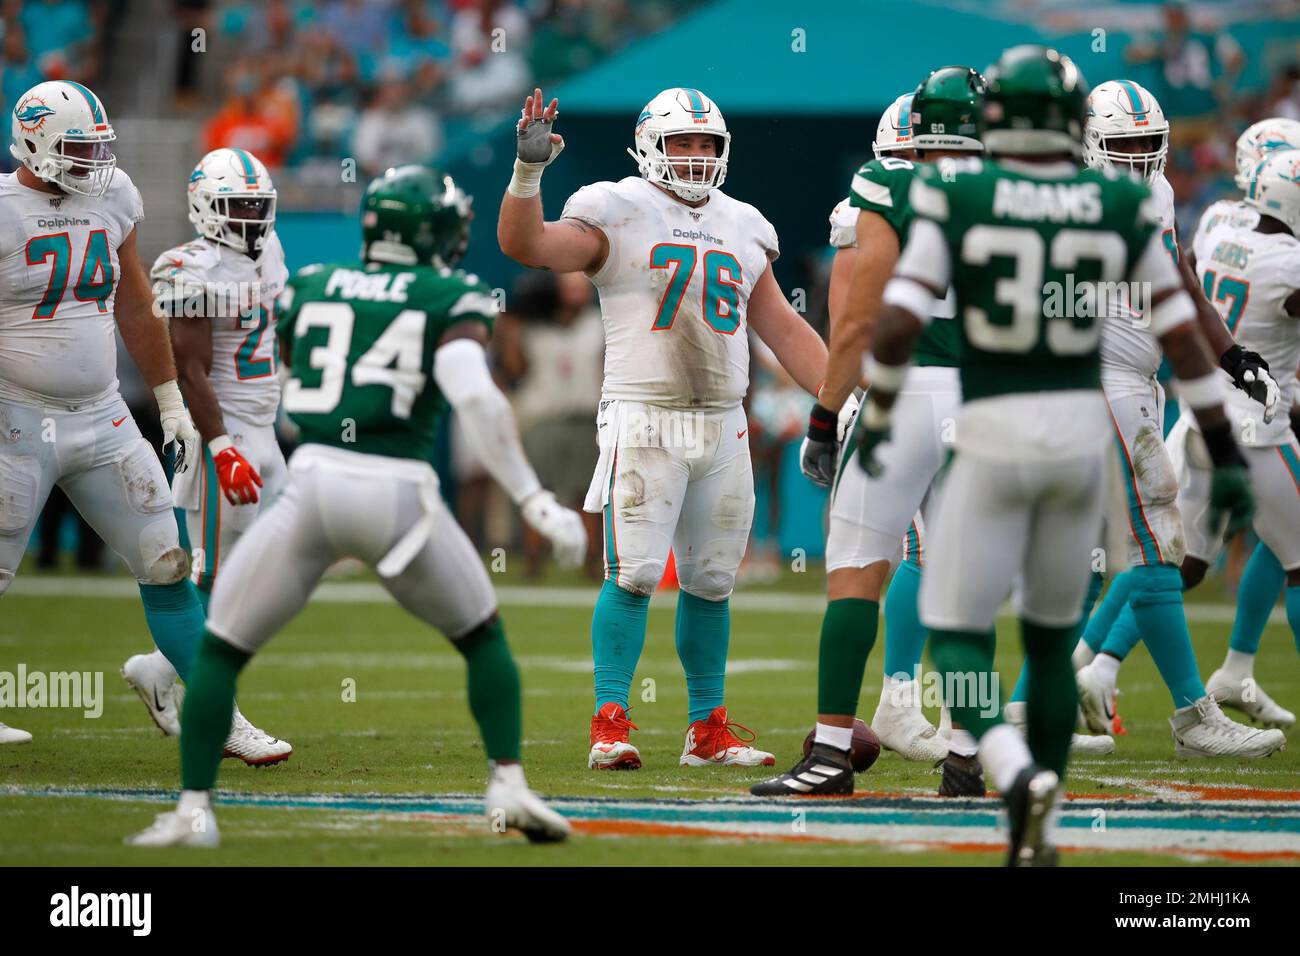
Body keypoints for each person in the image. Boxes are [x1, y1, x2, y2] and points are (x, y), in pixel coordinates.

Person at [856, 45, 1257, 865]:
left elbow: (896, 318)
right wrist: (1222, 440)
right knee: (1048, 638)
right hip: (1079, 432)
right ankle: (1043, 795)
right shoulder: (1117, 198)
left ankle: (1000, 763)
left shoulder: (960, 191)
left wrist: (881, 407)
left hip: (996, 422)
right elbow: (1180, 327)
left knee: (958, 628)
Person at [127, 165, 586, 847]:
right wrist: (533, 499)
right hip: (398, 492)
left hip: (311, 480)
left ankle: (193, 811)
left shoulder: (313, 282)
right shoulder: (448, 292)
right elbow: (478, 398)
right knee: (483, 636)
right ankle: (509, 784)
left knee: (224, 647)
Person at [498, 87, 828, 770]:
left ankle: (707, 731)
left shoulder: (745, 224)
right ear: (651, 144)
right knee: (638, 573)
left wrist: (843, 400)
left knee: (711, 581)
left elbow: (786, 331)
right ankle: (609, 723)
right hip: (644, 415)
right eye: (682, 142)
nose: (696, 156)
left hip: (723, 422)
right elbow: (526, 244)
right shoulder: (616, 207)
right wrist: (528, 176)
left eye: (707, 144)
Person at [1065, 79, 1285, 758]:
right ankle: (1193, 714)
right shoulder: (1068, 202)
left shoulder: (1155, 196)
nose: (1136, 157)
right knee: (1157, 546)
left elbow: (1181, 276)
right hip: (1097, 380)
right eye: (1122, 144)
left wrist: (1232, 353)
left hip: (1139, 381)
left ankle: (1029, 706)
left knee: (1122, 553)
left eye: (1145, 144)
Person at [0, 80, 205, 745]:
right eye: (76, 149)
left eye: (97, 148)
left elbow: (135, 300)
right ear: (32, 141)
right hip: (16, 417)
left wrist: (169, 399)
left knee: (167, 554)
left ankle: (216, 712)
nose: (92, 164)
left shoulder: (113, 197)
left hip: (102, 415)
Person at [120, 147, 294, 765]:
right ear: (205, 208)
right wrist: (221, 449)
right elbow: (190, 372)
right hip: (226, 436)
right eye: (237, 206)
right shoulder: (188, 268)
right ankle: (216, 712)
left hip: (264, 430)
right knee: (217, 577)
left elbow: (274, 333)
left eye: (258, 205)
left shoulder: (269, 252)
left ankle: (156, 668)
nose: (250, 218)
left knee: (253, 576)